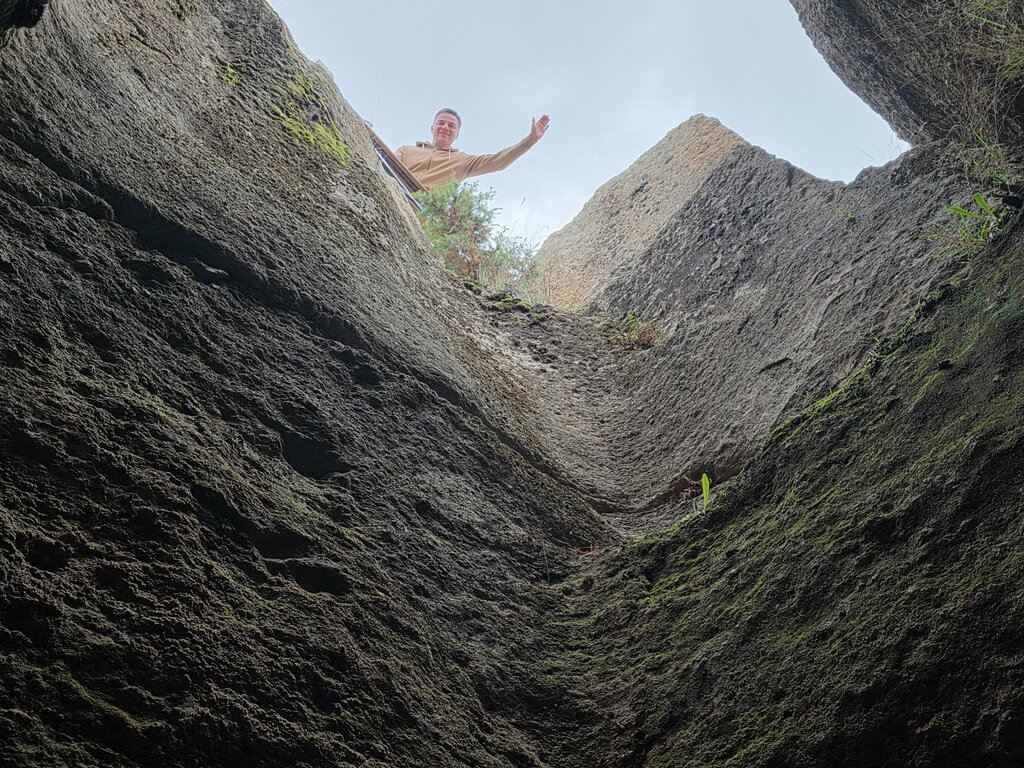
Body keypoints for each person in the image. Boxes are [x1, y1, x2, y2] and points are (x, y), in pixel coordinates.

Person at [395, 108, 549, 190]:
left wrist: (530, 140)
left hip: (422, 214)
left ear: (457, 135)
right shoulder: (407, 150)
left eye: (451, 126)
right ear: (432, 128)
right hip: (396, 196)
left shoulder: (462, 161)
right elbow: (386, 167)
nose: (445, 128)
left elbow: (498, 162)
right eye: (441, 123)